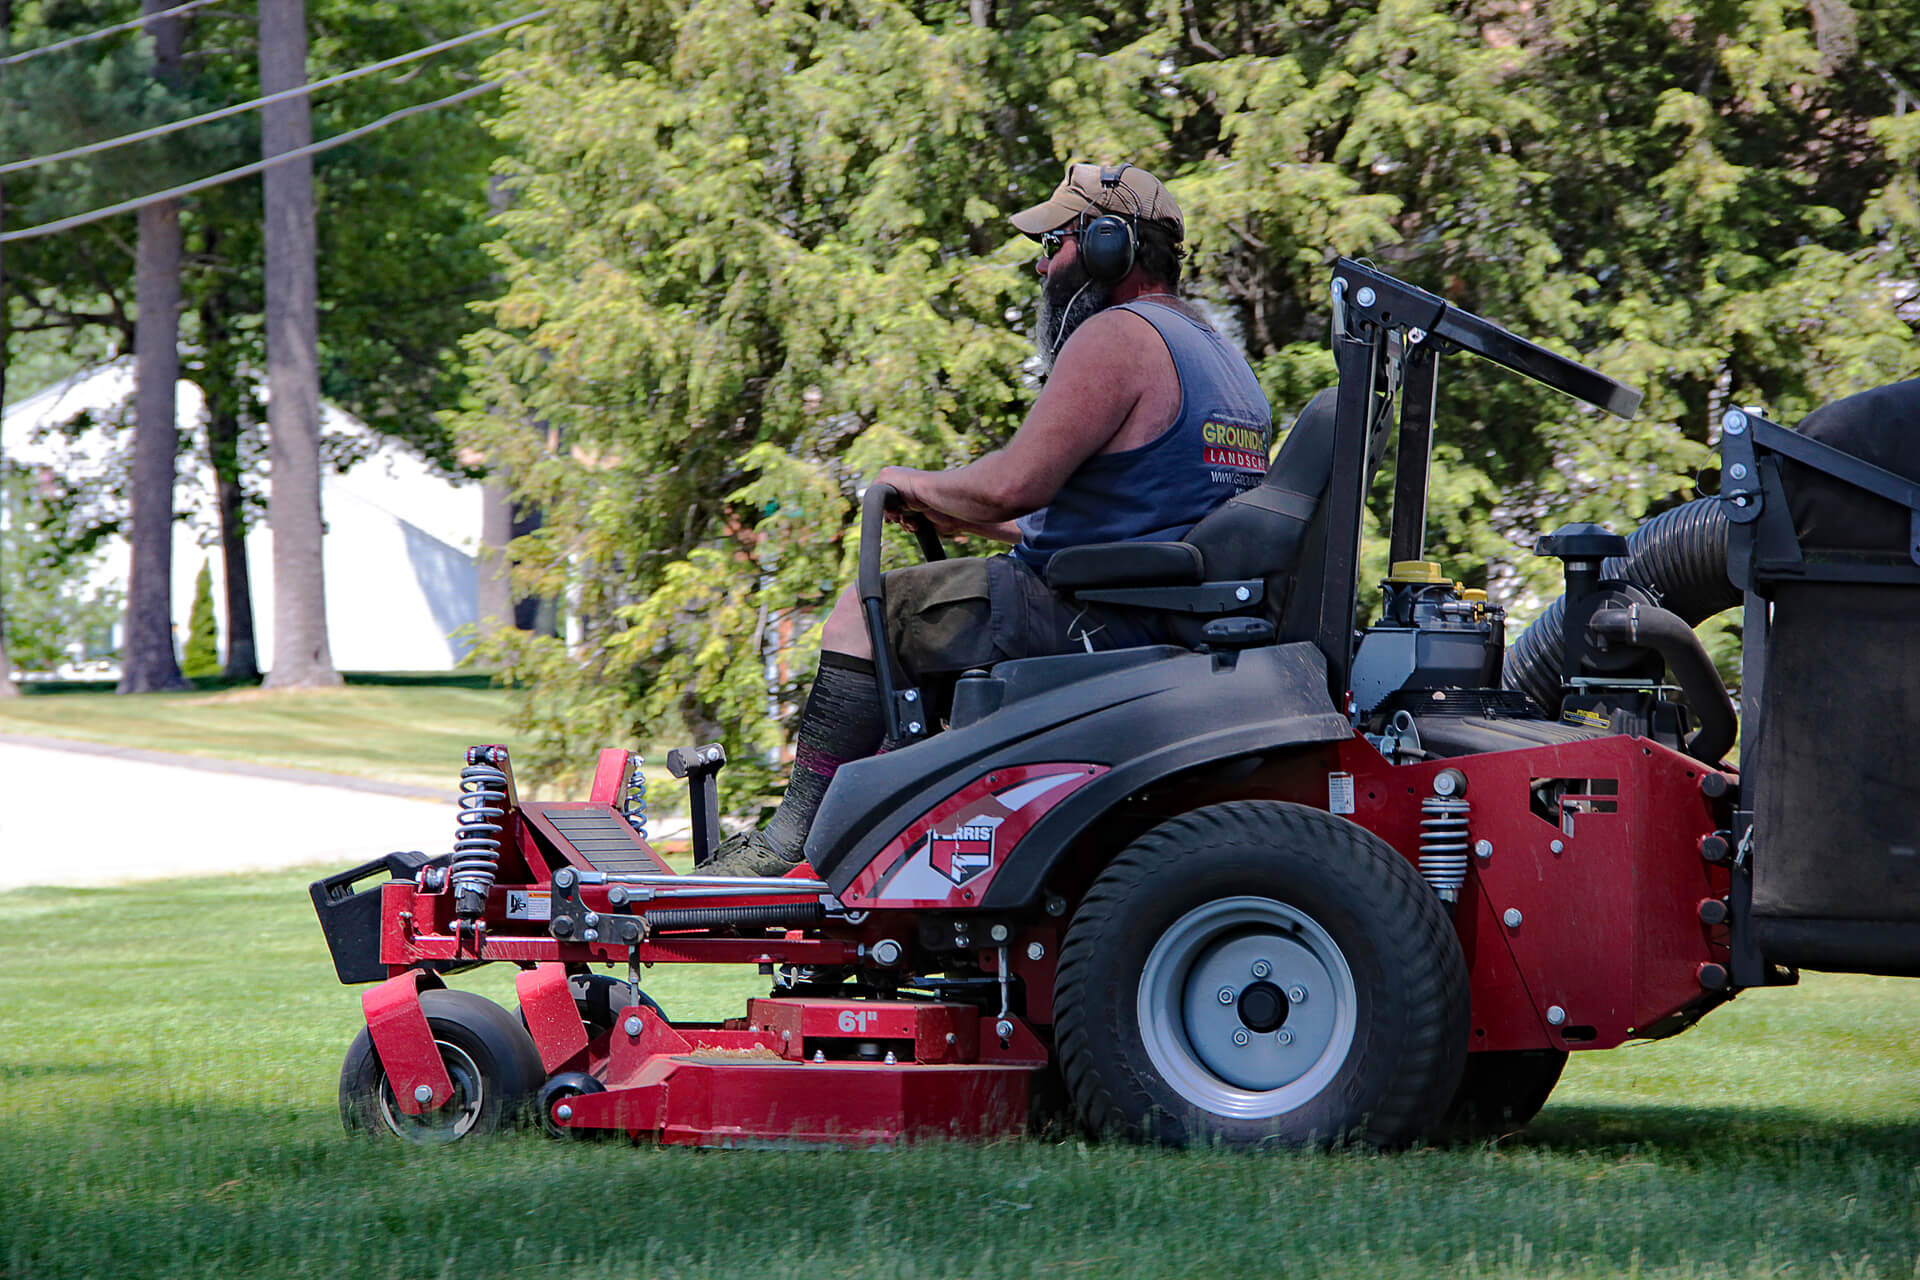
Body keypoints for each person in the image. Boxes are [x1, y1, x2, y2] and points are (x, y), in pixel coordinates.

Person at [706, 161, 1274, 876]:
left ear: (1108, 247)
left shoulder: (1118, 337)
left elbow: (1012, 486)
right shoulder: (1219, 353)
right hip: (1155, 600)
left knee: (867, 612)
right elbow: (1120, 520)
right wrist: (949, 506)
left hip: (1098, 614)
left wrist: (902, 480)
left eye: (1054, 245)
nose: (1042, 267)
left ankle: (787, 845)